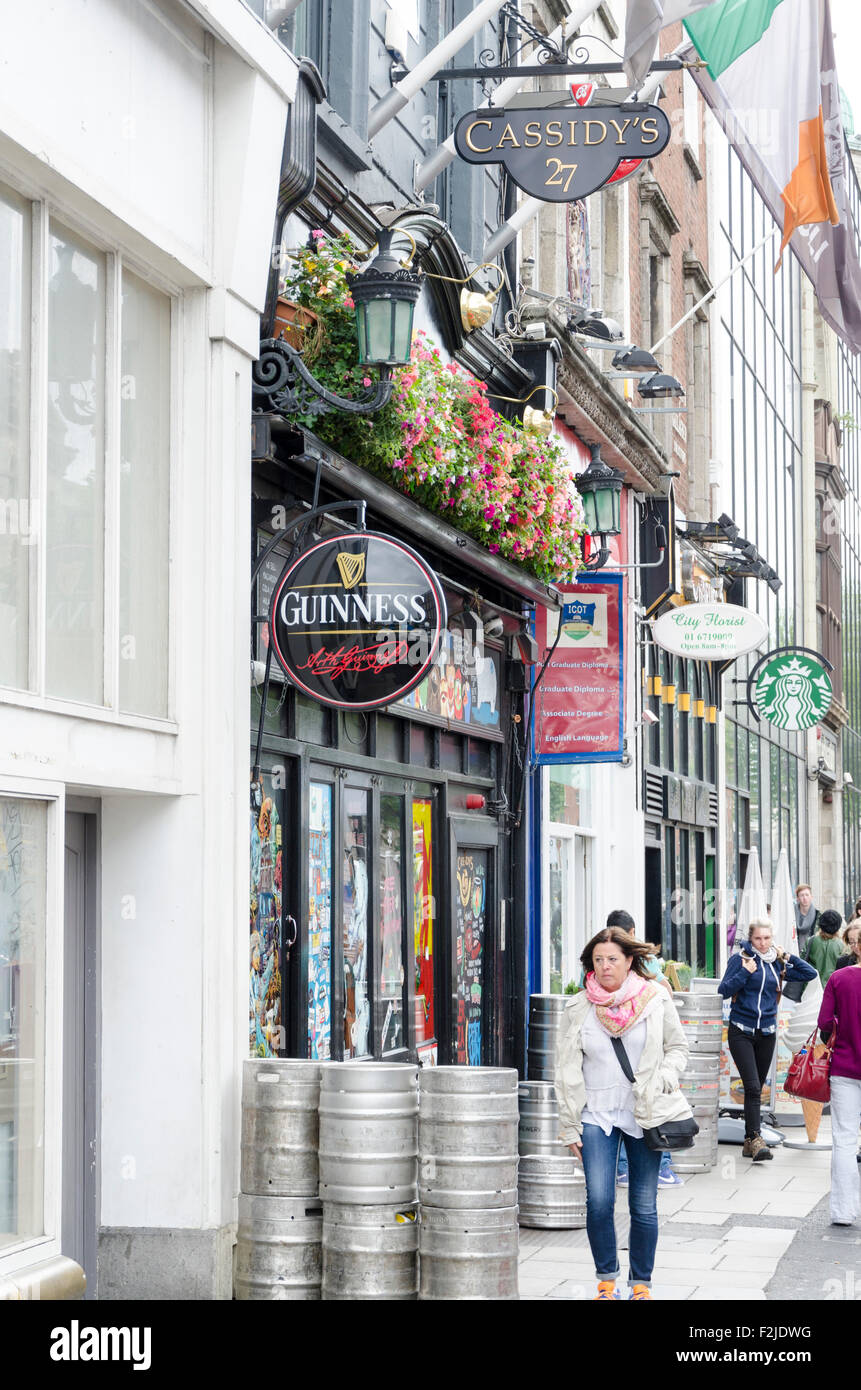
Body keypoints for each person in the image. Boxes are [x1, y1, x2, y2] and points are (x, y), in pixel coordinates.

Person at [555, 925, 691, 1301]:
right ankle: (605, 1283)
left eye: (612, 959)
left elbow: (678, 1048)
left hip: (644, 1115)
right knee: (599, 1200)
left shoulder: (655, 1000)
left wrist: (665, 1074)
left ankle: (641, 1285)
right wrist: (569, 1126)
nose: (604, 967)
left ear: (630, 960)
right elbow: (564, 1071)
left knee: (643, 1203)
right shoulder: (578, 1008)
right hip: (596, 1115)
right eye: (598, 960)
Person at [718, 917, 816, 1160]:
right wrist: (743, 973)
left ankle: (749, 1140)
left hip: (767, 1032)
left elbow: (810, 973)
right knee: (751, 1086)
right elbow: (723, 991)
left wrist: (788, 957)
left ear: (773, 939)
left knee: (756, 1089)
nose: (762, 943)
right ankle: (757, 1138)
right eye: (758, 939)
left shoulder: (776, 964)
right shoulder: (740, 960)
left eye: (767, 938)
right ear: (750, 940)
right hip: (741, 1030)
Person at [601, 910, 684, 1190]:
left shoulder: (597, 958)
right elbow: (666, 990)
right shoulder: (643, 959)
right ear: (633, 931)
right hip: (642, 1045)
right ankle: (661, 1167)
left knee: (624, 1107)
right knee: (650, 1109)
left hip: (611, 1053)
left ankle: (623, 1168)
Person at [818, 951, 861, 1224]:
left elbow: (823, 1023)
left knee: (844, 1140)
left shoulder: (839, 978)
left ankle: (844, 1211)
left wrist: (841, 1025)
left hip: (845, 1068)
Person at [805, 909, 845, 985]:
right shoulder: (843, 945)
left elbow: (802, 963)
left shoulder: (811, 941)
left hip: (811, 987)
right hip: (833, 987)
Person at [795, 884, 820, 956]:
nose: (805, 898)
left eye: (807, 895)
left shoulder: (818, 915)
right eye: (802, 895)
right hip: (795, 951)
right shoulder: (792, 915)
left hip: (812, 953)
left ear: (811, 897)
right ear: (798, 898)